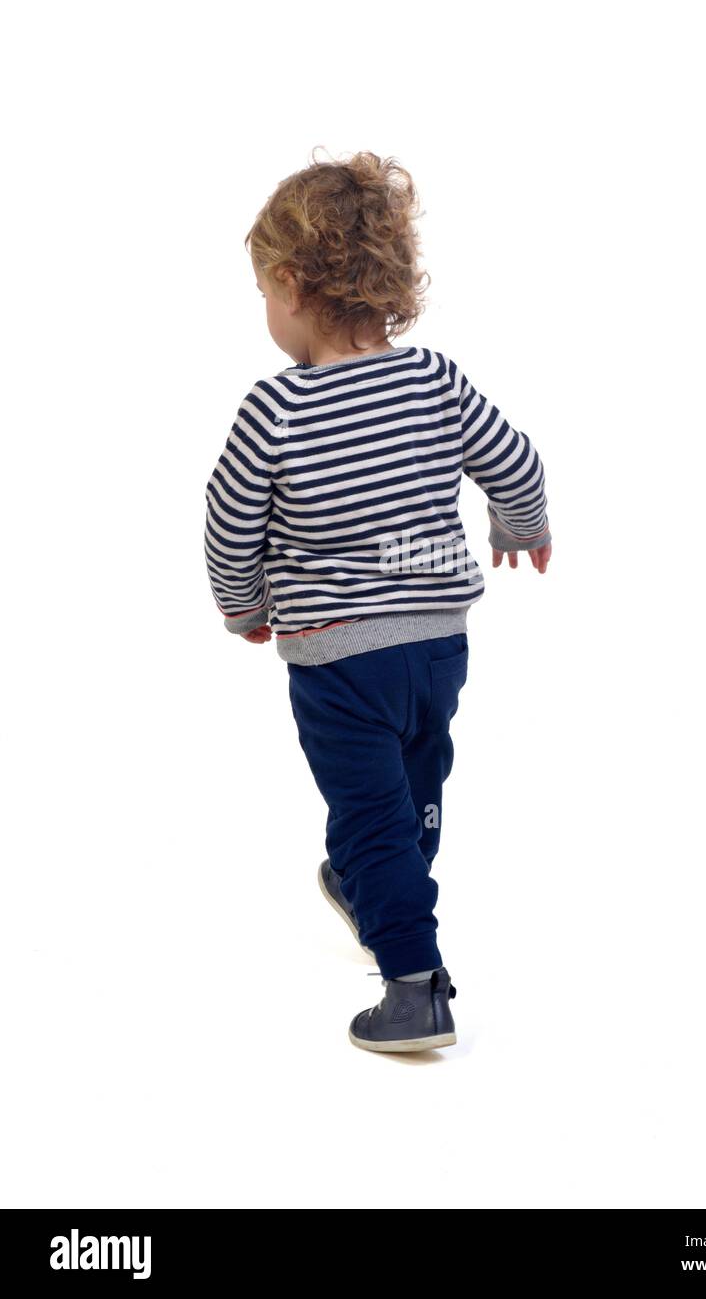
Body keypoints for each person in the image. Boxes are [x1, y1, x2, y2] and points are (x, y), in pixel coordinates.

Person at [204, 148, 552, 1053]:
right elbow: (515, 461)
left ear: (286, 284)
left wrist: (242, 609)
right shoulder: (434, 378)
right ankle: (373, 883)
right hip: (440, 648)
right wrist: (522, 527)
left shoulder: (274, 412)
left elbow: (230, 526)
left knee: (367, 809)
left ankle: (412, 985)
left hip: (338, 661)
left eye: (262, 294)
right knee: (412, 784)